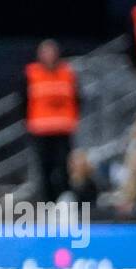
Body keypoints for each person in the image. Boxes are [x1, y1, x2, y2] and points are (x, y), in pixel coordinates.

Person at [24, 39, 79, 201]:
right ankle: (48, 202)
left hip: (63, 129)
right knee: (44, 168)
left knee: (64, 167)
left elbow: (77, 98)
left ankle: (66, 199)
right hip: (40, 130)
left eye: (52, 52)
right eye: (45, 52)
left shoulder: (67, 73)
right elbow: (23, 100)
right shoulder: (32, 73)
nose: (49, 56)